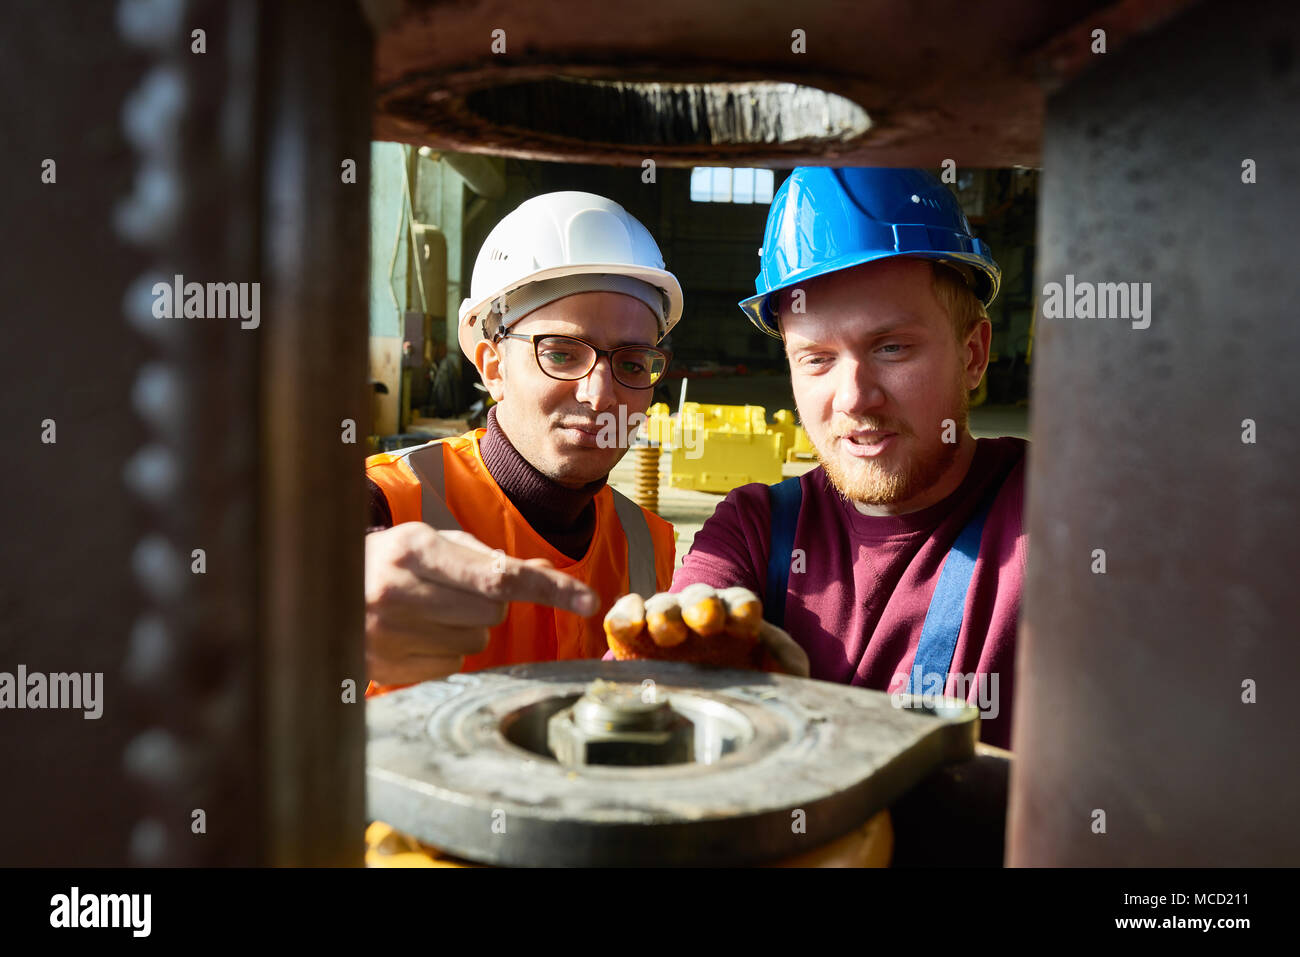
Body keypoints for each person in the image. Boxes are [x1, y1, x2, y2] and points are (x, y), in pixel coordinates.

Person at [671, 167, 1026, 749]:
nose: (856, 397)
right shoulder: (756, 530)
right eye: (816, 358)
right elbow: (680, 629)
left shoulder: (1050, 513)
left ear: (973, 354)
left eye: (891, 348)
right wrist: (678, 656)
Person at [363, 191, 682, 692]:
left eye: (632, 362)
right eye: (560, 354)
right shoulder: (385, 502)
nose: (600, 395)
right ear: (493, 368)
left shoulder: (649, 543)